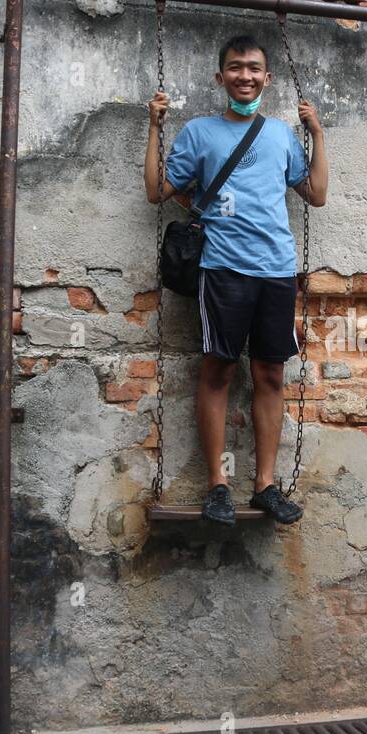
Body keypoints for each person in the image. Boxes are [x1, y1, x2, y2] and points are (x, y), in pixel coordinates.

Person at [144, 33, 329, 526]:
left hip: (275, 271)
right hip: (222, 269)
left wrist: (319, 136)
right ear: (220, 76)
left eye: (253, 68)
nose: (244, 76)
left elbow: (315, 195)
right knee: (220, 370)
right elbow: (157, 191)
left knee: (270, 374)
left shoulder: (282, 136)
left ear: (267, 78)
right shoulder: (200, 133)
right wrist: (154, 127)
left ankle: (266, 484)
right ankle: (218, 486)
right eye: (235, 67)